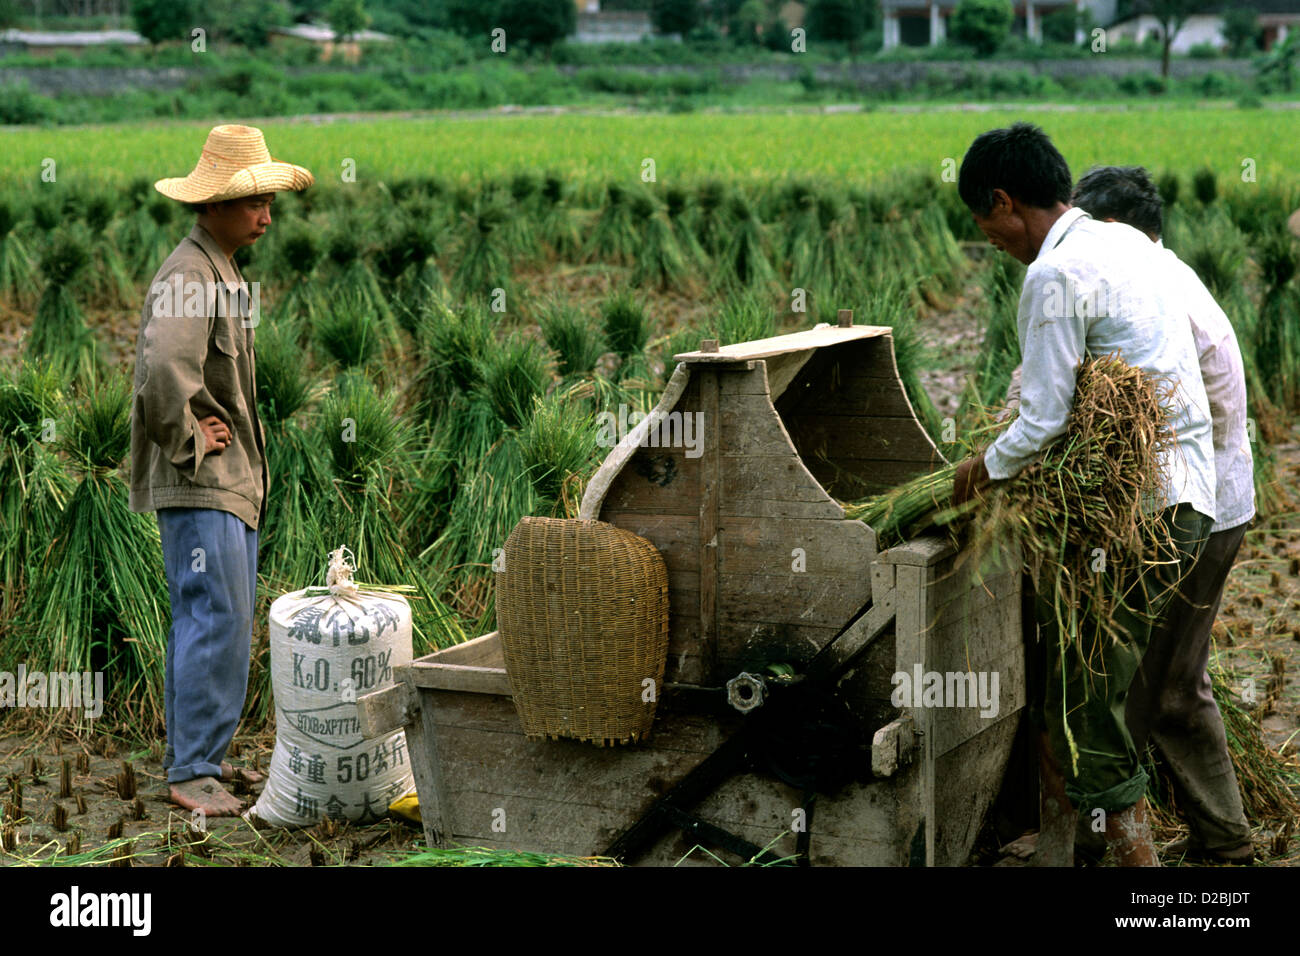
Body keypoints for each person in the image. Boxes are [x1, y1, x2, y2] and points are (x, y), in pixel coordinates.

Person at [952, 124, 1218, 867]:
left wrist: (976, 472)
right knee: (1083, 682)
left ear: (1004, 202)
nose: (992, 242)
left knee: (1084, 707)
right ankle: (1062, 850)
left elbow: (1041, 418)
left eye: (985, 226)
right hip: (1189, 501)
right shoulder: (1123, 243)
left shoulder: (1053, 276)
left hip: (1134, 516)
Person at [1000, 166, 1256, 865]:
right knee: (1154, 684)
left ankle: (1151, 843)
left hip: (1190, 503)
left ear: (1108, 226)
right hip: (1207, 499)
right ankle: (1116, 835)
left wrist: (1012, 459)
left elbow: (1155, 410)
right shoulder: (1157, 271)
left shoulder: (1133, 278)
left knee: (1136, 688)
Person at [129, 125, 313, 817]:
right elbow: (161, 369)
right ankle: (193, 771)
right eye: (254, 202)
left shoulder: (221, 268)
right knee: (215, 615)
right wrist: (190, 439)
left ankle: (199, 756)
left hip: (227, 479)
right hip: (204, 479)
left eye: (269, 202)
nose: (266, 216)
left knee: (217, 618)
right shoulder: (191, 271)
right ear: (213, 205)